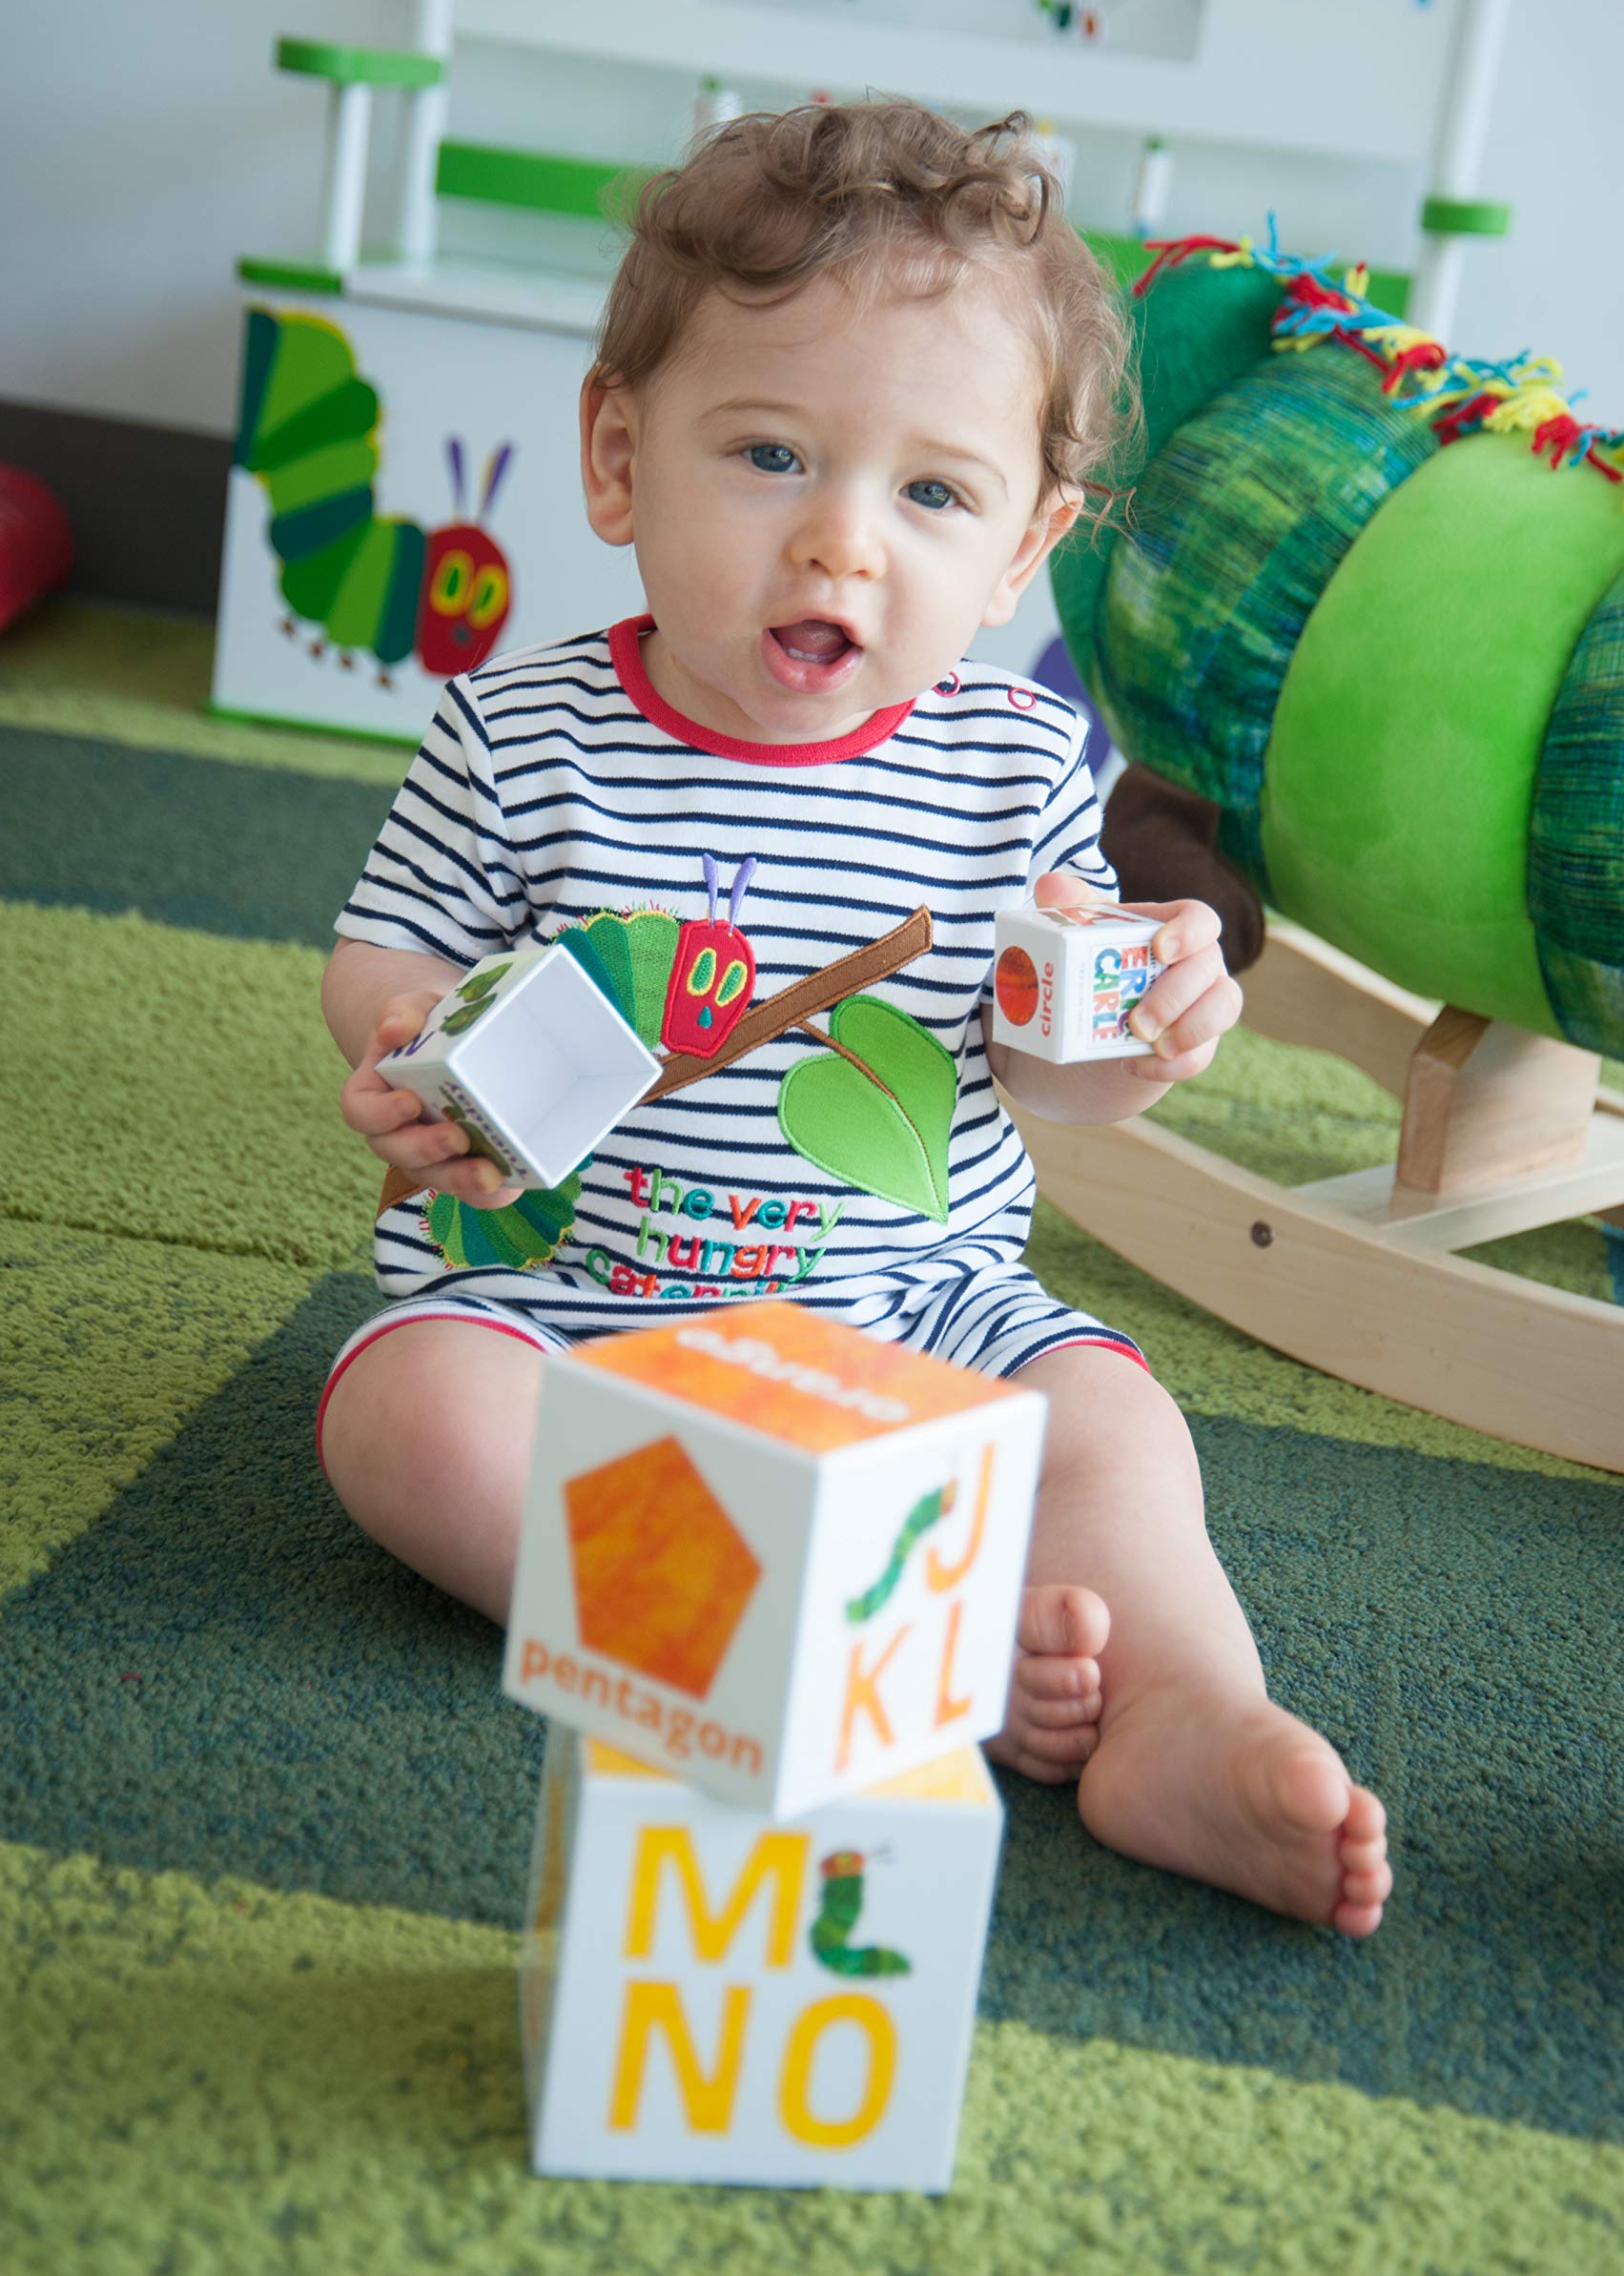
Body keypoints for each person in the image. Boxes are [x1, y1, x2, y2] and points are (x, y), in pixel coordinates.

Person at [319, 100, 1390, 1937]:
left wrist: (1137, 1031)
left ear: (1026, 546)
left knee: (1117, 1429)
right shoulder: (520, 734)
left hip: (908, 1313)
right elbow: (386, 949)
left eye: (931, 494)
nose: (839, 544)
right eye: (766, 454)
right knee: (403, 1422)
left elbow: (1054, 1072)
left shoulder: (1023, 764)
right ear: (615, 456)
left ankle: (1188, 1713)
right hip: (570, 1308)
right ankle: (824, 1655)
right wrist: (426, 1042)